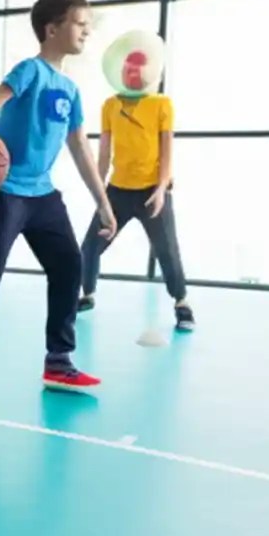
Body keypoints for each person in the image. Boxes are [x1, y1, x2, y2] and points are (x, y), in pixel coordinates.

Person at [0, 0, 117, 399]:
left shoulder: (70, 90)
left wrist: (104, 204)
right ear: (52, 29)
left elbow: (80, 150)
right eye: (79, 24)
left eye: (88, 26)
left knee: (69, 267)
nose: (86, 32)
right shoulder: (29, 71)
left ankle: (59, 361)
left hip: (43, 196)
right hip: (5, 192)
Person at [79, 30, 194, 331]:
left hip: (151, 192)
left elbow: (168, 153)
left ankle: (182, 304)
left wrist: (160, 190)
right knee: (90, 245)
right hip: (117, 190)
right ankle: (87, 294)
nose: (133, 74)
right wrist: (99, 192)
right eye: (128, 69)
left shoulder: (162, 104)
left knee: (167, 249)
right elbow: (103, 154)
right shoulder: (109, 105)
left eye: (138, 69)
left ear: (149, 72)